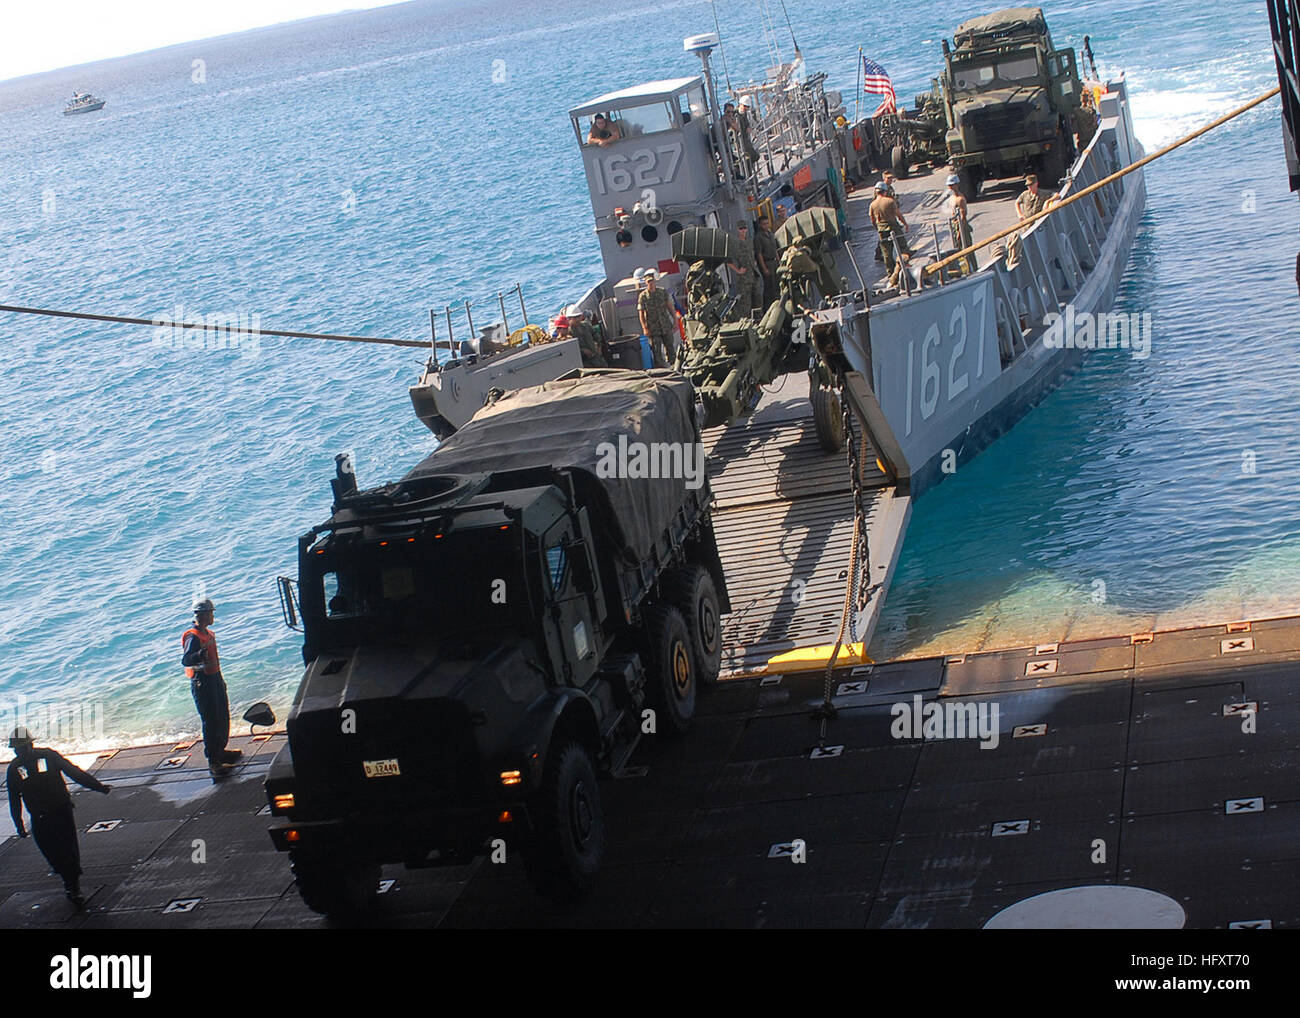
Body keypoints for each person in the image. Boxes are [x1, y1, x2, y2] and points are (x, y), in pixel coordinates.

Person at [7, 727, 111, 909]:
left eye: (22, 747)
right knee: (50, 851)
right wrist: (19, 824)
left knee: (68, 850)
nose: (20, 752)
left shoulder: (48, 755)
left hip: (61, 811)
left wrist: (97, 786)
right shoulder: (15, 769)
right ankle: (68, 880)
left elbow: (74, 773)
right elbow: (14, 798)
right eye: (17, 749)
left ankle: (73, 886)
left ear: (31, 745)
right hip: (40, 817)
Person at [182, 598, 242, 776]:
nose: (212, 616)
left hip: (215, 678)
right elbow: (186, 660)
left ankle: (221, 750)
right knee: (211, 720)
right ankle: (213, 761)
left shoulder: (208, 633)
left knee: (222, 715)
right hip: (203, 682)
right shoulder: (193, 636)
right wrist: (199, 655)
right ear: (202, 615)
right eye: (210, 613)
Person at [1007, 174, 1055, 267]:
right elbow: (1017, 202)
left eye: (1031, 185)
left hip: (1037, 226)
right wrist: (1019, 214)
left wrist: (1048, 201)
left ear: (1036, 184)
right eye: (1028, 186)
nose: (1029, 187)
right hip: (1026, 226)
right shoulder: (1025, 195)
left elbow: (1056, 195)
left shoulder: (1043, 193)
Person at [870, 180, 911, 287]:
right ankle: (904, 267)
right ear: (885, 191)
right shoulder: (890, 201)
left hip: (881, 230)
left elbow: (872, 220)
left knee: (886, 253)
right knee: (903, 247)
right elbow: (898, 214)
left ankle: (891, 275)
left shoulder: (872, 204)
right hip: (893, 227)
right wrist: (905, 223)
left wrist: (877, 228)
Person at [637, 270, 676, 368]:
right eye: (648, 282)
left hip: (666, 325)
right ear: (646, 283)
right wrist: (645, 328)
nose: (651, 283)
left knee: (670, 348)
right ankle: (661, 370)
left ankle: (674, 366)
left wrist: (675, 321)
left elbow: (670, 307)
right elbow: (641, 314)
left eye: (652, 281)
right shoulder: (643, 297)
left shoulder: (662, 292)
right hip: (654, 329)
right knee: (656, 351)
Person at [945, 173, 977, 275]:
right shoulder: (952, 198)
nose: (950, 187)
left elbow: (963, 216)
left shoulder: (960, 199)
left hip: (961, 225)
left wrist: (960, 230)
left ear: (956, 185)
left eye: (952, 184)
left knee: (966, 248)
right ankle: (964, 270)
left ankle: (973, 269)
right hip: (955, 225)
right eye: (949, 185)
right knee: (958, 251)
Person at [754, 213, 780, 306]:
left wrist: (779, 261)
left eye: (767, 223)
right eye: (764, 224)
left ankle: (780, 303)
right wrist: (764, 268)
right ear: (760, 225)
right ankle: (770, 306)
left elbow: (775, 249)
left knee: (777, 284)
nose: (766, 225)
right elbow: (759, 254)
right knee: (770, 288)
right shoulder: (758, 237)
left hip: (775, 262)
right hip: (767, 263)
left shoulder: (771, 234)